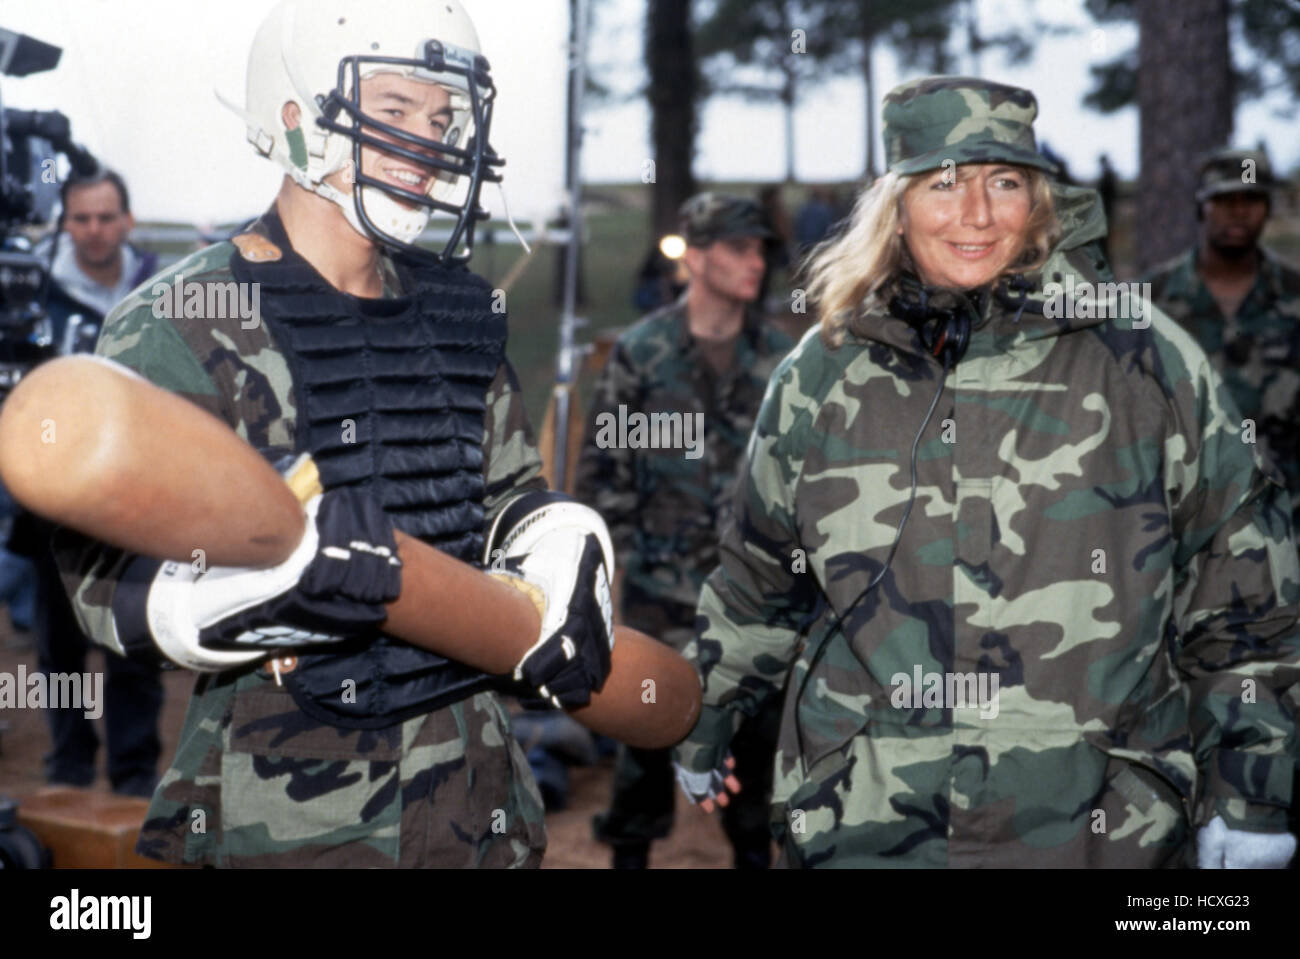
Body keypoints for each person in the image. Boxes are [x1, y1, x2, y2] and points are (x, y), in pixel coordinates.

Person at [671, 76, 1300, 869]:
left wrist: (1252, 790)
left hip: (1099, 828)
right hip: (866, 824)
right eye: (944, 184)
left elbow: (1245, 592)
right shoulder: (823, 373)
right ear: (895, 205)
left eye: (1003, 182)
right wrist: (707, 712)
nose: (975, 214)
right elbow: (759, 574)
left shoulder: (1145, 360)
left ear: (1038, 199)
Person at [53, 0, 613, 867]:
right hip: (282, 812)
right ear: (295, 115)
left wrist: (564, 546)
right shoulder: (182, 321)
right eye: (394, 111)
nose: (430, 145)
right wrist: (268, 579)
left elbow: (504, 496)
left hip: (478, 798)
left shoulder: (459, 312)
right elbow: (104, 586)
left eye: (443, 117)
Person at [576, 193, 794, 868]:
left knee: (757, 762)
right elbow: (601, 472)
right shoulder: (642, 354)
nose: (753, 261)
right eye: (736, 248)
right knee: (643, 747)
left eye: (759, 248)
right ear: (696, 257)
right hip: (659, 593)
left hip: (754, 597)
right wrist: (622, 568)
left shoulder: (785, 361)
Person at [20, 169, 166, 795]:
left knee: (134, 640)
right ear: (64, 222)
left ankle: (134, 778)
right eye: (81, 218)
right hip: (49, 500)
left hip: (139, 498)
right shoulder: (29, 291)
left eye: (107, 217)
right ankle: (69, 771)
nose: (95, 230)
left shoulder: (162, 288)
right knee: (60, 646)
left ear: (128, 220)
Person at [1143, 147, 1300, 535]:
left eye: (1251, 199)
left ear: (1267, 208)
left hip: (1286, 516)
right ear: (1202, 208)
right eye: (1224, 200)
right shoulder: (1149, 300)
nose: (1238, 211)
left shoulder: (1294, 294)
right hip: (1179, 519)